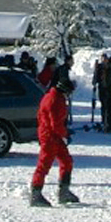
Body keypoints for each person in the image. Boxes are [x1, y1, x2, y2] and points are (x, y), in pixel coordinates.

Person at [30, 73, 79, 206]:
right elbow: (55, 123)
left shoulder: (55, 96)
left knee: (67, 161)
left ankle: (64, 191)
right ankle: (35, 193)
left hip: (54, 136)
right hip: (49, 136)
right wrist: (65, 134)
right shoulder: (54, 100)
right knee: (44, 164)